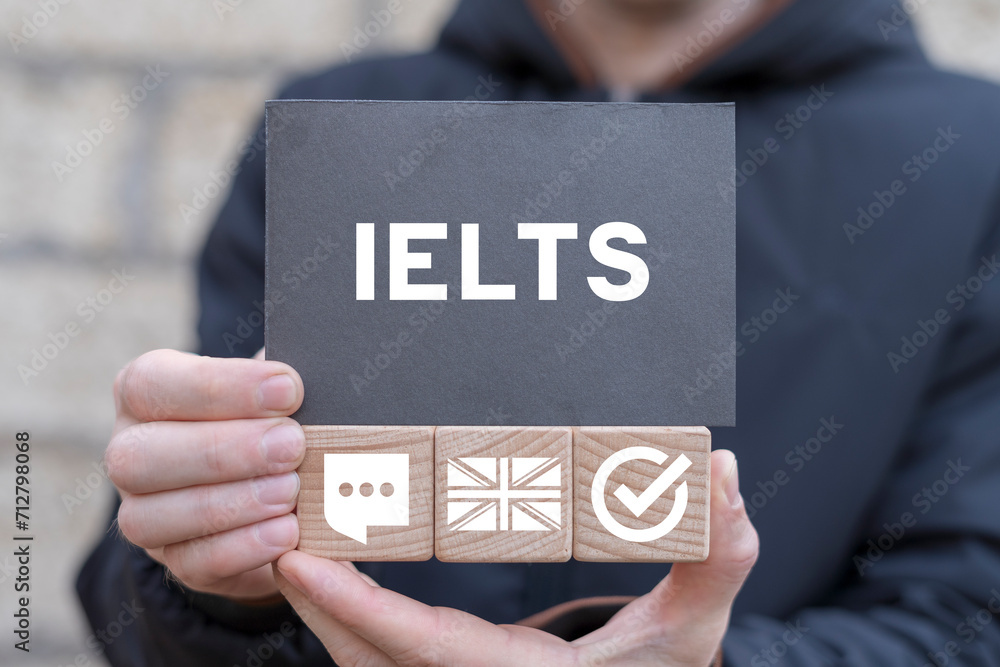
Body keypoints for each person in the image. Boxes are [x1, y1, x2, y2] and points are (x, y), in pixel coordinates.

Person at [77, 0, 1000, 664]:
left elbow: (972, 611)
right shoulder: (342, 126)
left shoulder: (970, 157)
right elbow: (165, 565)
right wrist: (208, 578)